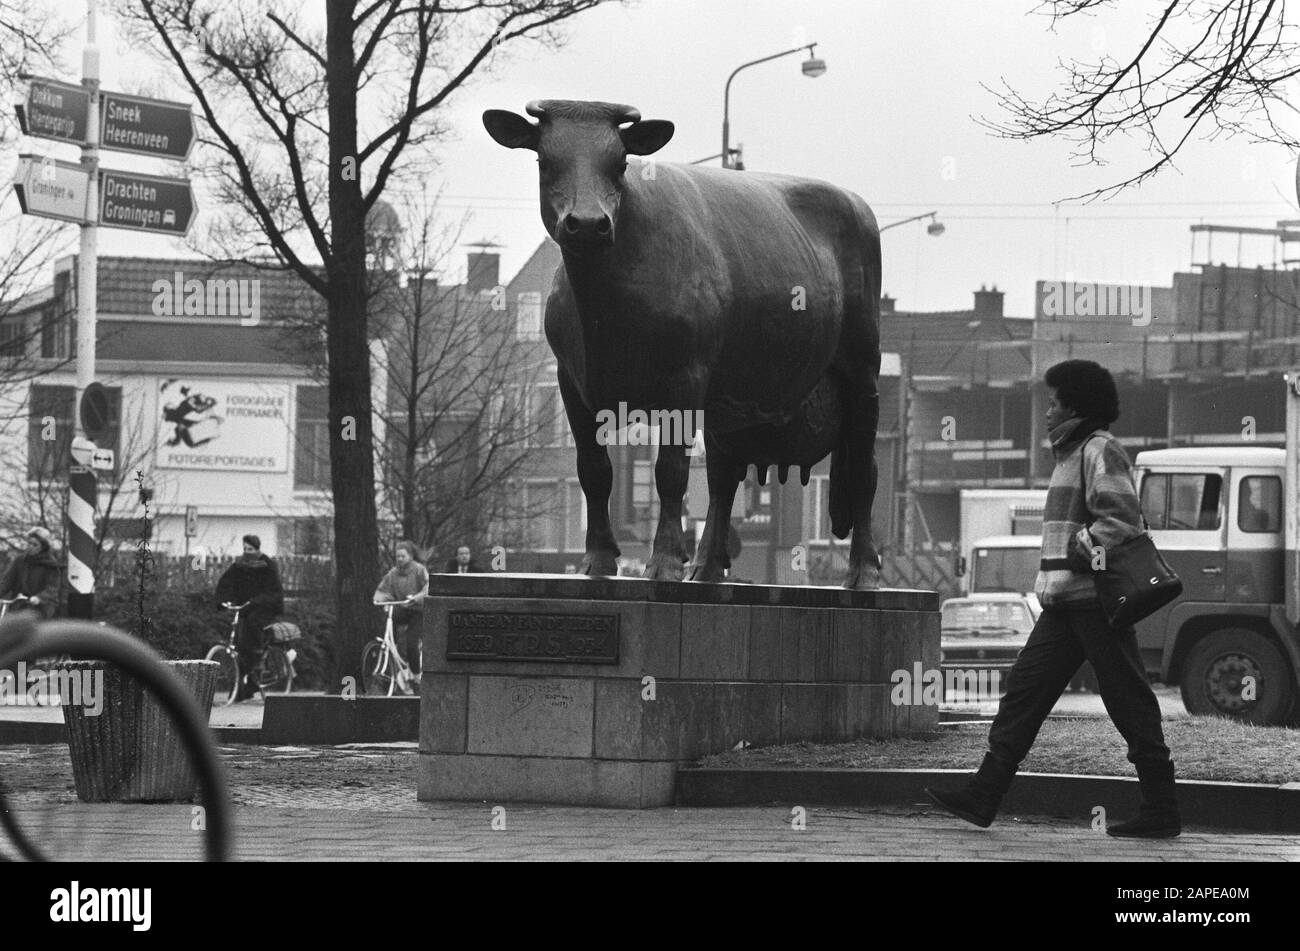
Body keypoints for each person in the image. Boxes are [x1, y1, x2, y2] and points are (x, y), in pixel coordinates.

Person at [926, 360, 1181, 839]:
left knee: (1129, 704)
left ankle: (1163, 809)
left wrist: (1078, 548)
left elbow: (1121, 521)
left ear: (1076, 406)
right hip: (1064, 606)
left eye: (1054, 401)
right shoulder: (1070, 454)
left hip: (1094, 603)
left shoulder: (1100, 450)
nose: (1046, 410)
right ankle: (984, 795)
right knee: (1023, 695)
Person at [214, 535, 284, 701]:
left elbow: (274, 592)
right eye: (245, 549)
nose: (247, 553)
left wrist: (256, 601)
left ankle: (256, 666)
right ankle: (242, 686)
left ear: (257, 549)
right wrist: (223, 600)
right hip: (245, 608)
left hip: (264, 609)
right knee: (238, 641)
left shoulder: (267, 565)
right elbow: (226, 582)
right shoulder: (239, 565)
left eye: (250, 550)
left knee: (253, 633)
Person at [374, 540, 429, 676]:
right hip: (402, 608)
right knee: (390, 619)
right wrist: (380, 600)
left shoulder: (419, 570)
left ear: (410, 556)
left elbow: (428, 587)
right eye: (397, 556)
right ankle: (392, 645)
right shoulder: (393, 573)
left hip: (418, 610)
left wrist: (416, 598)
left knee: (412, 643)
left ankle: (416, 674)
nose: (399, 559)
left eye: (402, 556)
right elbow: (383, 590)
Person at [0, 527, 61, 620]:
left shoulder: (50, 564)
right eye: (29, 543)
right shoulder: (20, 560)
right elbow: (7, 582)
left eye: (35, 545)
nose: (30, 547)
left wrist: (39, 598)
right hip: (19, 603)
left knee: (33, 627)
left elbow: (52, 588)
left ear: (43, 546)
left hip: (41, 606)